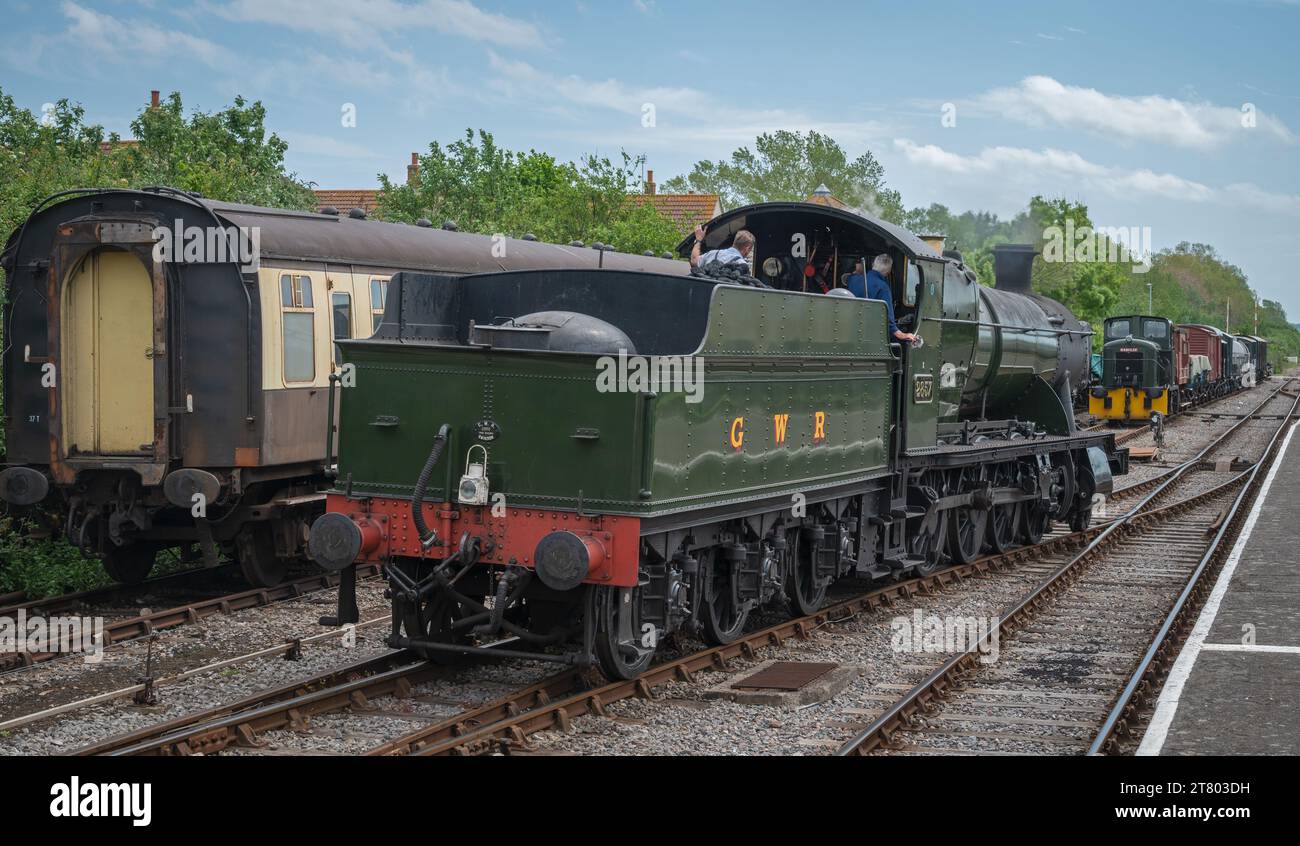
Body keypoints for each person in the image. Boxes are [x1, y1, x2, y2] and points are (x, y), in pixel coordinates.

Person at [861, 254, 918, 345]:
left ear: (873, 265)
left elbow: (847, 278)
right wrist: (901, 334)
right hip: (873, 337)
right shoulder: (883, 288)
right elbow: (888, 319)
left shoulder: (853, 280)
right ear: (888, 272)